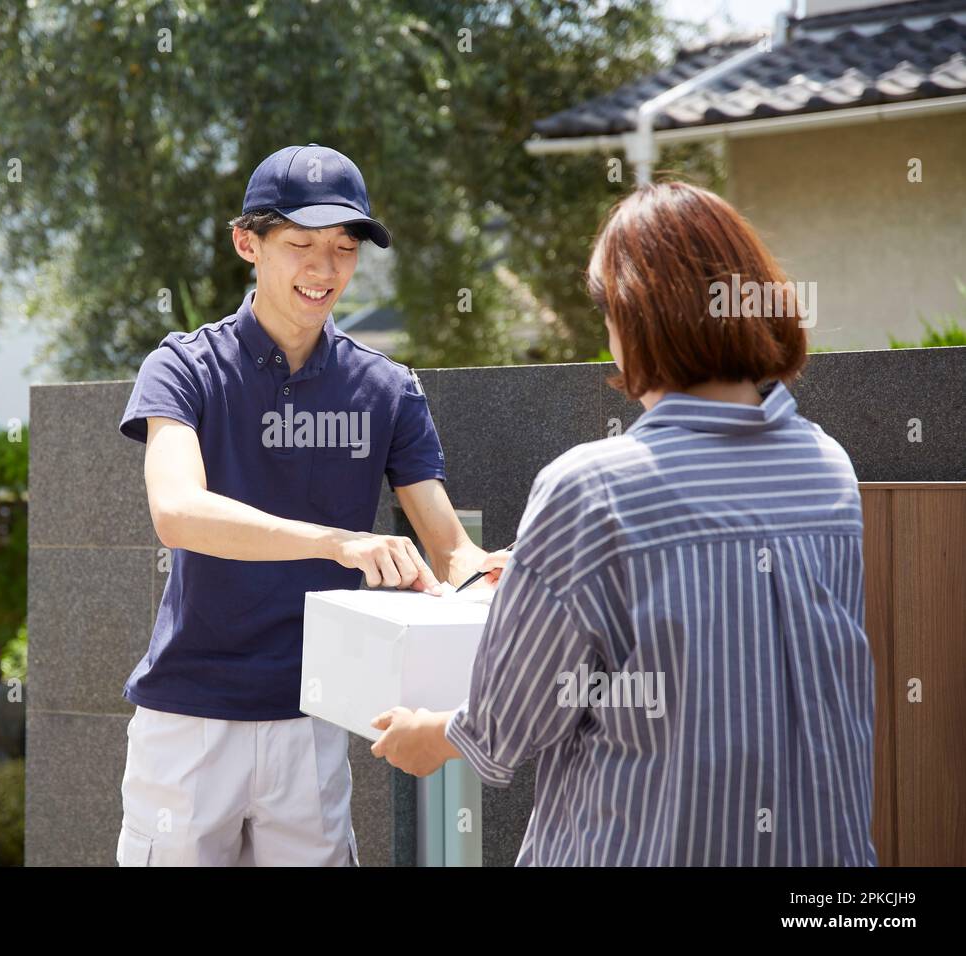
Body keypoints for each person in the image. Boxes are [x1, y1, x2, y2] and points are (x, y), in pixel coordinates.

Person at [371, 181, 878, 867]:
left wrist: (424, 736)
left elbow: (505, 722)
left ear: (635, 317)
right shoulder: (826, 467)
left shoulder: (589, 488)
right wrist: (548, 569)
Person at [115, 144, 502, 866]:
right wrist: (337, 542)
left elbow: (450, 549)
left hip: (314, 720)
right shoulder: (182, 367)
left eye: (344, 248)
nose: (325, 270)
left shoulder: (388, 389)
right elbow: (177, 510)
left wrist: (490, 574)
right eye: (301, 245)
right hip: (188, 719)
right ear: (247, 243)